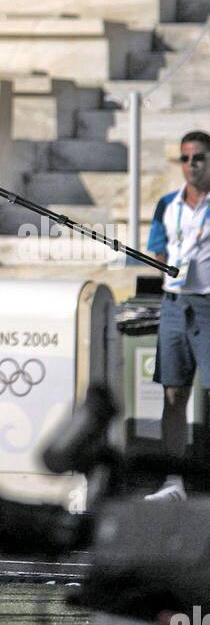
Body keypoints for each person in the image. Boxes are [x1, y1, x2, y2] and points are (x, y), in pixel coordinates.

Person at [145, 130, 210, 501]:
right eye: (185, 159)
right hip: (174, 306)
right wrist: (168, 267)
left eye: (198, 158)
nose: (191, 166)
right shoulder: (168, 204)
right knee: (172, 393)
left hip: (208, 304)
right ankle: (174, 480)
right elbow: (157, 248)